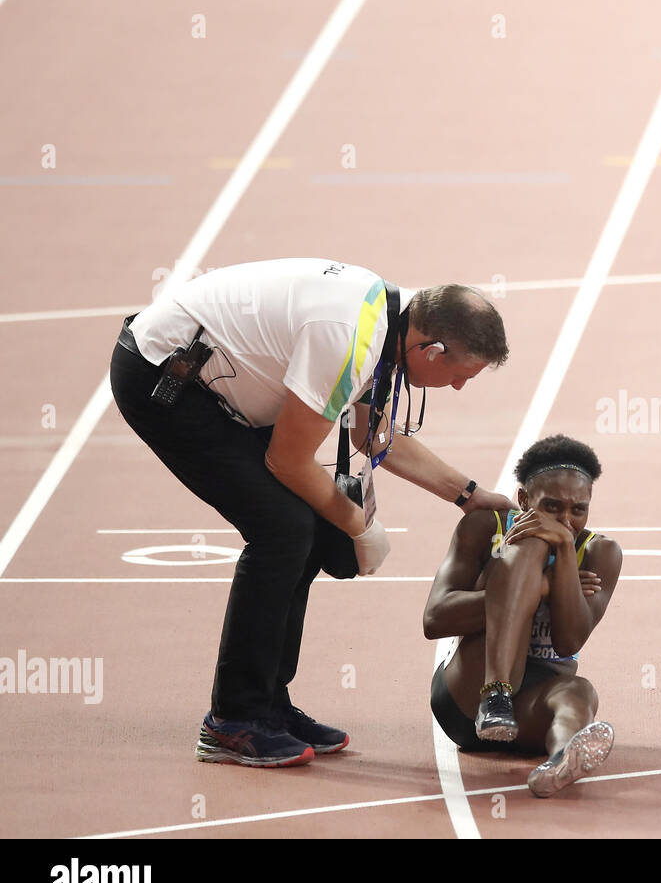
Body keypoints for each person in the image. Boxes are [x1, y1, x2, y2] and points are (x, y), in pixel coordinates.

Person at [109, 257, 514, 768]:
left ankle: (268, 706)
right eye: (460, 375)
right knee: (283, 530)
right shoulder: (349, 340)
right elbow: (288, 460)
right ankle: (233, 720)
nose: (458, 387)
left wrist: (468, 494)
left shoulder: (398, 318)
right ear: (431, 350)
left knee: (301, 530)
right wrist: (357, 525)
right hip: (165, 379)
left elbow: (373, 433)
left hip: (220, 381)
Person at [424, 435, 623, 797]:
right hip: (466, 696)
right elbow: (435, 619)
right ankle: (495, 694)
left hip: (531, 708)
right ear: (524, 500)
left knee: (580, 692)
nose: (565, 520)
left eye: (578, 509)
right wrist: (538, 586)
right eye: (551, 507)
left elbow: (569, 641)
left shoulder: (599, 552)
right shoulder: (486, 527)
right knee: (527, 545)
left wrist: (563, 552)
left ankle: (561, 759)